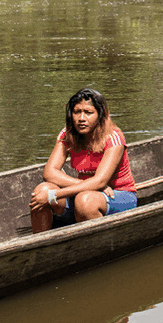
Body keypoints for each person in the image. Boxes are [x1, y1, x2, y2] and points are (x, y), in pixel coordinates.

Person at [29, 87, 137, 233]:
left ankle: (99, 242)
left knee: (85, 201)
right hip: (83, 194)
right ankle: (40, 242)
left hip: (119, 196)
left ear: (100, 114)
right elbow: (49, 172)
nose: (81, 118)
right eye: (76, 112)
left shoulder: (113, 137)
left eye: (88, 112)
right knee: (42, 191)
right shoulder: (68, 134)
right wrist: (90, 186)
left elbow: (99, 181)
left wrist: (54, 195)